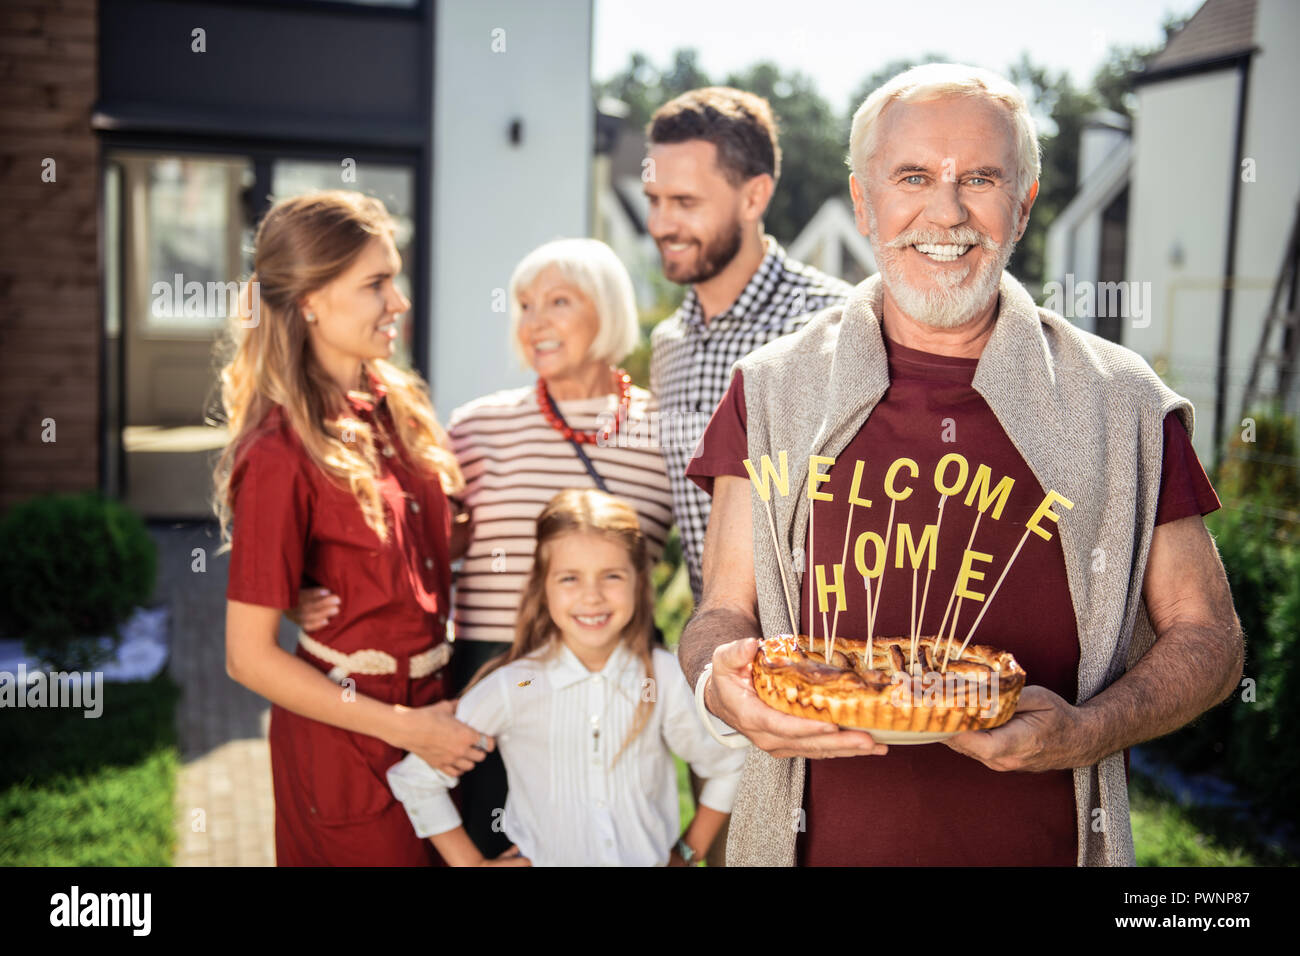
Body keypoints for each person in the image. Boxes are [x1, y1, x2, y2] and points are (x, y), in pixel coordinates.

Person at [679, 64, 1244, 867]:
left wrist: (1087, 732)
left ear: (1025, 201)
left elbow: (1210, 637)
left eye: (980, 178)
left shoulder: (1124, 405)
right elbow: (721, 616)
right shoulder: (771, 391)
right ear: (865, 200)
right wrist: (718, 686)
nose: (945, 212)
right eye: (913, 177)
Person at [294, 237, 673, 858]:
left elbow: (715, 556)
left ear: (607, 309)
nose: (535, 322)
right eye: (524, 306)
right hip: (493, 667)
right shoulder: (477, 426)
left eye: (558, 301)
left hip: (616, 671)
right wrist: (297, 591)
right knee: (495, 846)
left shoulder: (668, 433)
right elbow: (398, 534)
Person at [216, 191, 491, 866]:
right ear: (310, 300)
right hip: (351, 747)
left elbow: (419, 552)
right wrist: (408, 729)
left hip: (437, 712)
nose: (398, 302)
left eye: (394, 278)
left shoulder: (399, 406)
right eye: (376, 284)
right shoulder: (278, 451)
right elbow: (246, 657)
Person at [386, 489, 746, 866]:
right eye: (569, 578)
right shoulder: (517, 685)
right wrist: (471, 863)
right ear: (544, 587)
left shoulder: (664, 678)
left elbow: (727, 765)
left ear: (639, 581)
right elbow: (416, 779)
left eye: (611, 576)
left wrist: (687, 854)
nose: (591, 597)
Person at [646, 86, 854, 606]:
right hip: (716, 653)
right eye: (654, 201)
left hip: (819, 655)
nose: (662, 225)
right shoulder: (667, 344)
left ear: (754, 196)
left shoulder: (833, 324)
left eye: (685, 202)